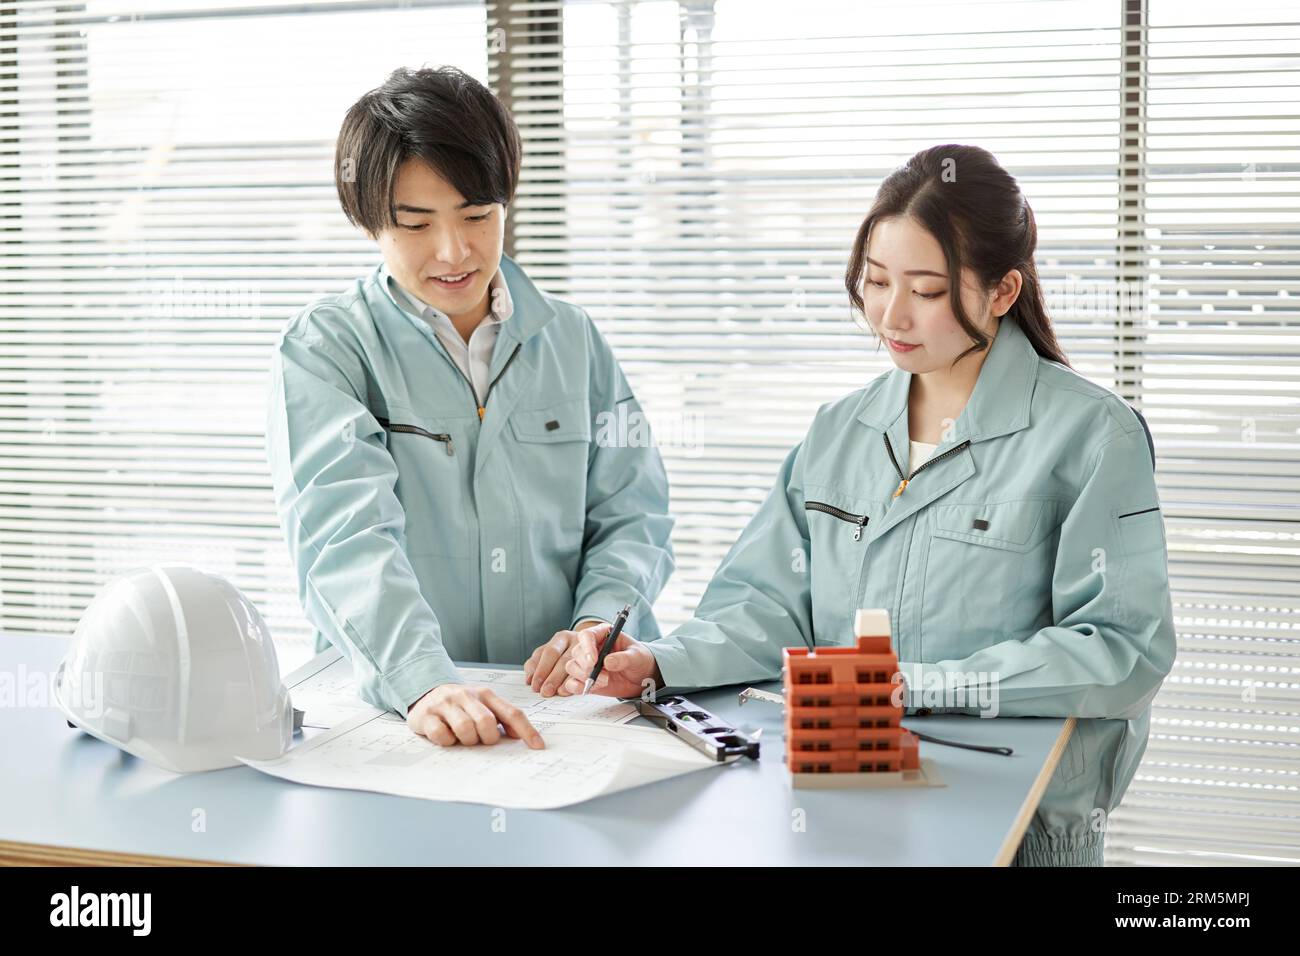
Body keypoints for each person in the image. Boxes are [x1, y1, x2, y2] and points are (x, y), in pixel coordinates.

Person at [535, 145, 1176, 866]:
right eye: (875, 282)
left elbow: (1124, 649)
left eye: (927, 291)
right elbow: (768, 604)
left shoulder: (1091, 436)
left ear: (1002, 292)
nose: (890, 314)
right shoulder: (839, 431)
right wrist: (658, 661)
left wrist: (917, 687)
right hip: (835, 810)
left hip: (1015, 829)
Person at [266, 66, 674, 750]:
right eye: (416, 224)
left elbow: (633, 514)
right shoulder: (326, 349)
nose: (454, 252)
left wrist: (597, 625)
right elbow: (343, 537)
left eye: (478, 217)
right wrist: (421, 681)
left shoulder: (572, 339)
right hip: (398, 716)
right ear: (369, 223)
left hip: (569, 723)